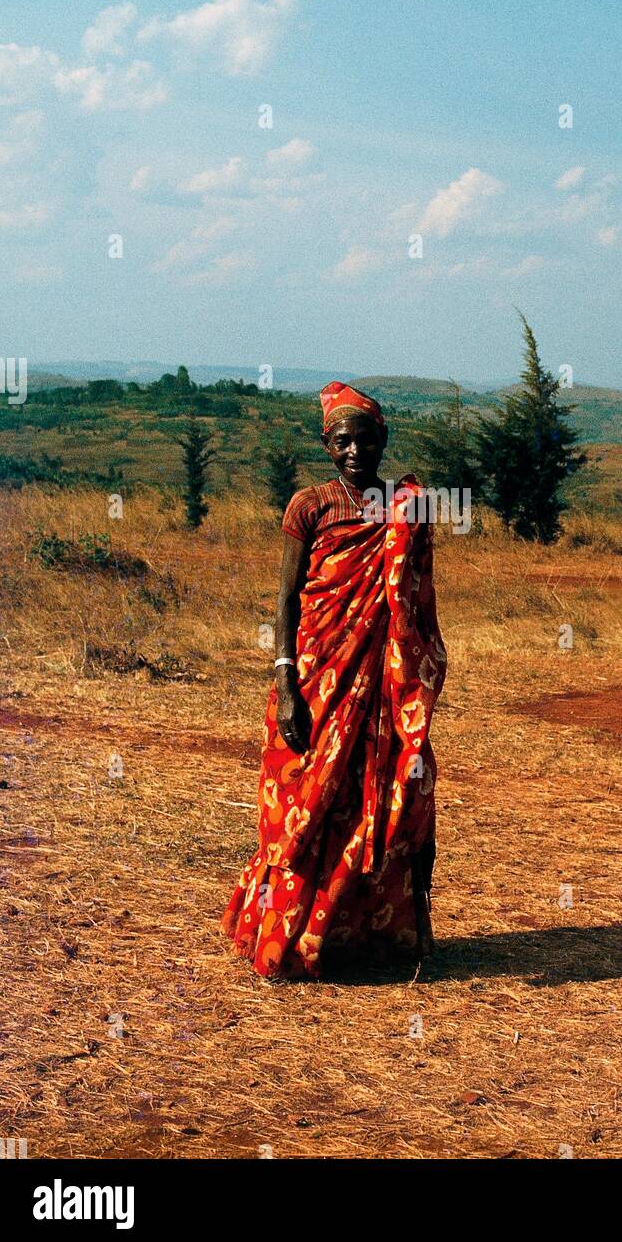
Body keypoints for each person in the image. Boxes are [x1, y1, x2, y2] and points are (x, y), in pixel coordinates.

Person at [221, 382, 447, 979]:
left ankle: (362, 940)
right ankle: (288, 933)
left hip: (378, 684)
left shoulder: (402, 508)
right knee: (302, 802)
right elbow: (287, 600)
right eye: (343, 441)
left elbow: (415, 599)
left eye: (366, 440)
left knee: (373, 796)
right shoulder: (308, 505)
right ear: (327, 444)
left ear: (383, 442)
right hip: (315, 678)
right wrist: (286, 681)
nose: (355, 451)